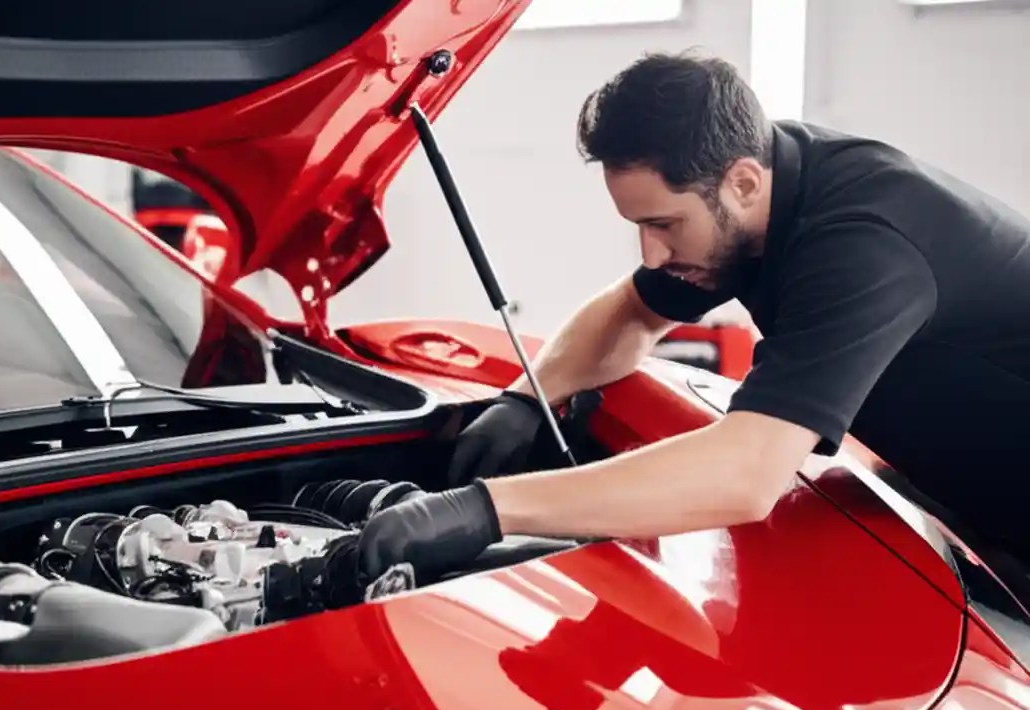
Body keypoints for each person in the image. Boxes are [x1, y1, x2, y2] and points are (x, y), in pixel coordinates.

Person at [358, 50, 1030, 582]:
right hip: (972, 501)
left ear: (740, 181)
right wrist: (529, 398)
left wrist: (486, 509)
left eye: (663, 223)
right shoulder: (768, 186)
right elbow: (629, 314)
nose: (651, 252)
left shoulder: (864, 241)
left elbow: (746, 475)